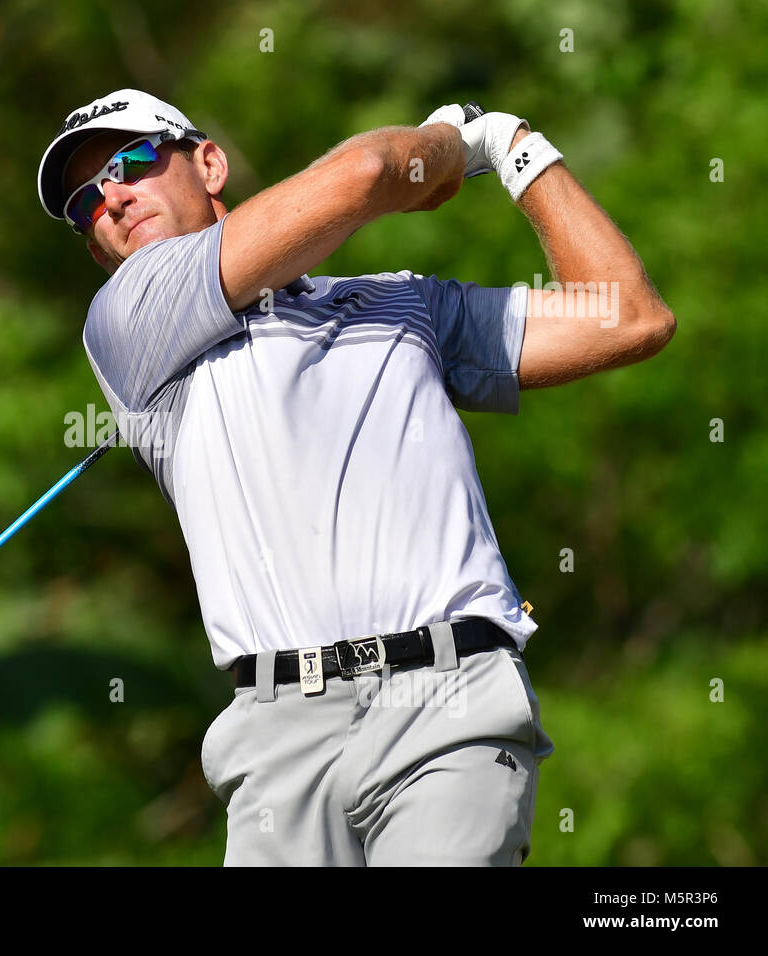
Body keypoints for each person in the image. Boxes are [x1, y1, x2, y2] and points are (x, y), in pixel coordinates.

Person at [36, 89, 674, 866]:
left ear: (209, 164)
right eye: (85, 202)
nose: (111, 198)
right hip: (275, 745)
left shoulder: (403, 306)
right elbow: (371, 171)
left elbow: (629, 317)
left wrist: (516, 149)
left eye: (132, 160)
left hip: (448, 706)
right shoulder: (129, 315)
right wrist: (451, 144)